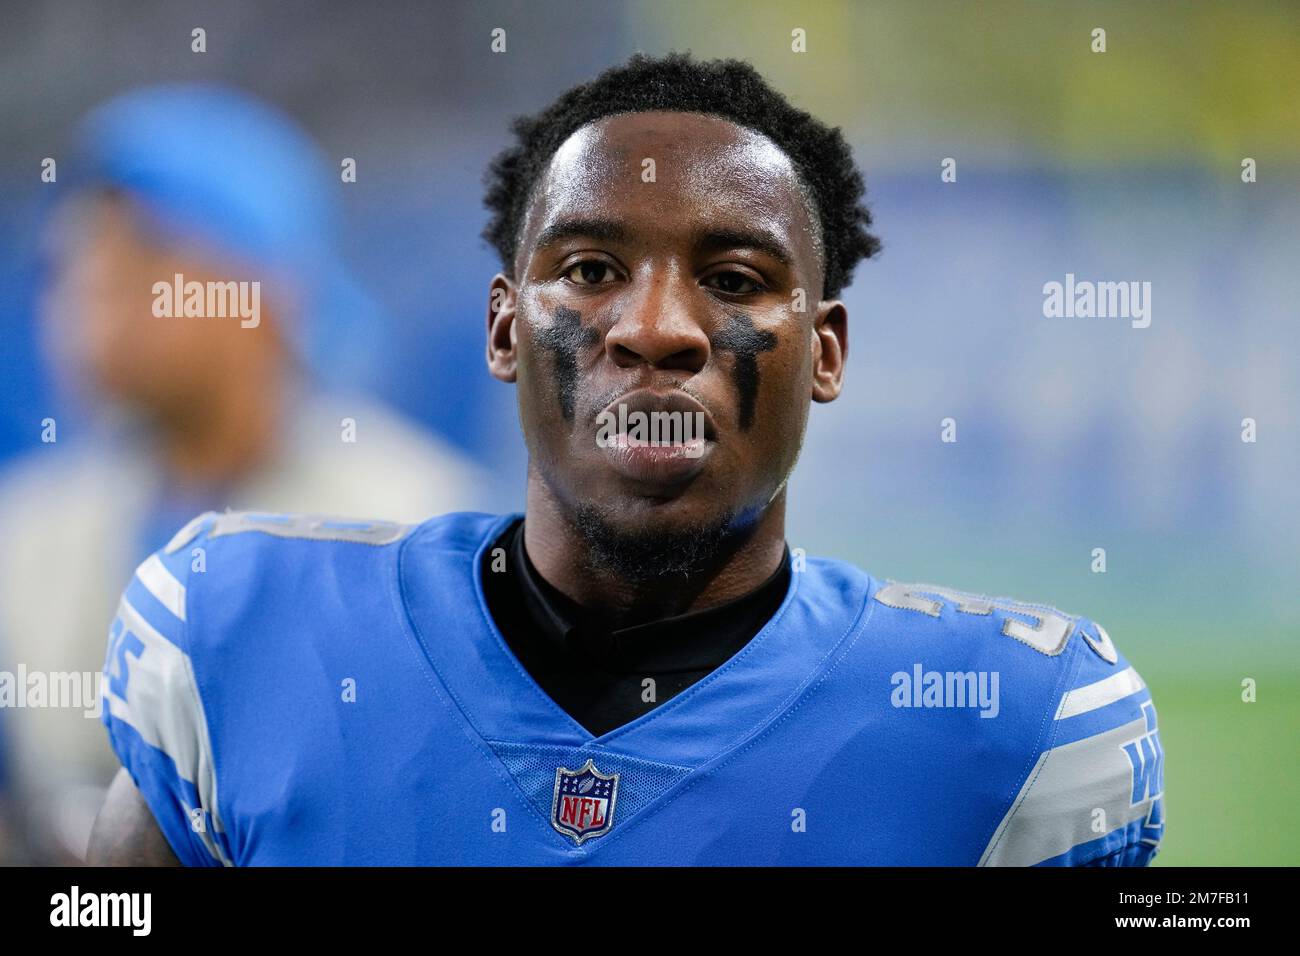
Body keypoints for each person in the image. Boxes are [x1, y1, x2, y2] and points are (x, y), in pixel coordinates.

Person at [86, 54, 1164, 866]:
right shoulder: (238, 633)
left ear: (824, 352)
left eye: (735, 279)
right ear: (504, 330)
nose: (654, 328)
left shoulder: (1010, 724)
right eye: (592, 267)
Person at [0, 85, 483, 862]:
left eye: (143, 251)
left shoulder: (418, 525)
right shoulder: (27, 531)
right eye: (75, 257)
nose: (90, 284)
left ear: (266, 291)